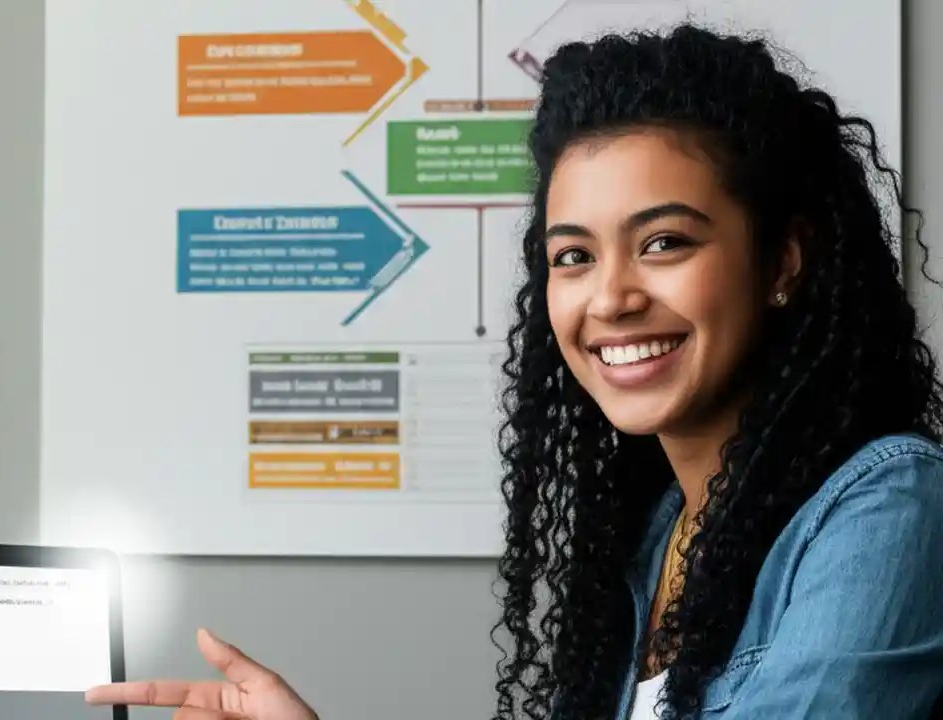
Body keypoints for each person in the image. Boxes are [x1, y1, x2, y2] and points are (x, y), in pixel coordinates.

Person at [85, 22, 943, 720]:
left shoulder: (888, 506)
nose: (610, 298)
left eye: (664, 243)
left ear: (784, 261)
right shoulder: (664, 536)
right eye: (572, 255)